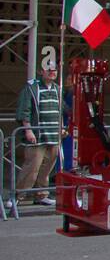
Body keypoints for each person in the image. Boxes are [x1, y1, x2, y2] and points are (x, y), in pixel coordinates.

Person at [15, 62, 62, 207]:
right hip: (37, 135)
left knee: (47, 168)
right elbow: (25, 110)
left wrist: (62, 129)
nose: (52, 72)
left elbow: (60, 111)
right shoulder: (32, 88)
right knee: (32, 167)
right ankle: (18, 196)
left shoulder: (57, 89)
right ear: (41, 71)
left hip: (53, 136)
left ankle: (41, 194)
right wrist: (28, 130)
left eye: (54, 69)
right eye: (49, 70)